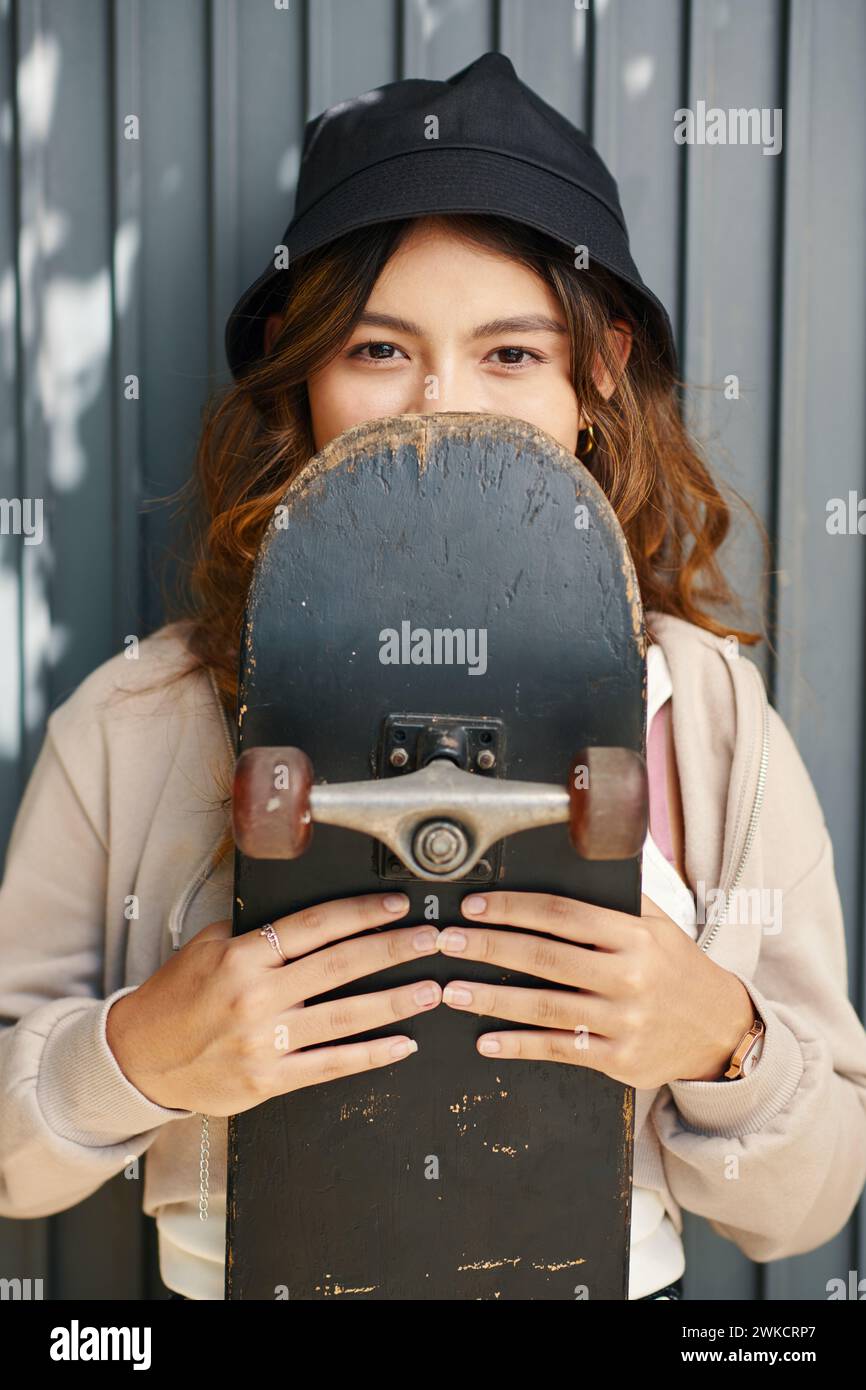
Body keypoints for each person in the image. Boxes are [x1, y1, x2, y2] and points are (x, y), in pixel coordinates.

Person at [1, 52, 865, 1304]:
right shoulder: (136, 721)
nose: (436, 403)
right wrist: (134, 1055)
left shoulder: (711, 724)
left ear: (597, 372)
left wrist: (722, 1044)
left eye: (509, 353)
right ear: (304, 377)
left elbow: (815, 1203)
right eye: (376, 347)